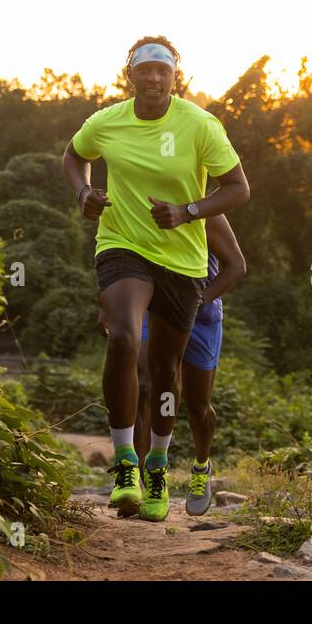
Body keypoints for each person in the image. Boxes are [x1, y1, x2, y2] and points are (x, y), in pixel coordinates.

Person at [63, 36, 249, 522]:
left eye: (161, 70)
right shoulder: (105, 121)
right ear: (130, 75)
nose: (152, 78)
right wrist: (84, 191)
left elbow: (238, 189)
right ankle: (126, 463)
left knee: (167, 375)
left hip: (183, 264)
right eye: (144, 69)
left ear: (174, 77)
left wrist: (189, 211)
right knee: (124, 339)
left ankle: (160, 468)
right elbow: (72, 154)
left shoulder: (200, 125)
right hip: (123, 245)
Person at [128, 214, 244, 515]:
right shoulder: (138, 205)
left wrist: (198, 301)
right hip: (154, 310)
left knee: (198, 406)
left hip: (201, 314)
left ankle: (202, 467)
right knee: (143, 386)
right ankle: (144, 479)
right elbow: (119, 260)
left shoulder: (206, 213)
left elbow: (236, 267)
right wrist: (108, 306)